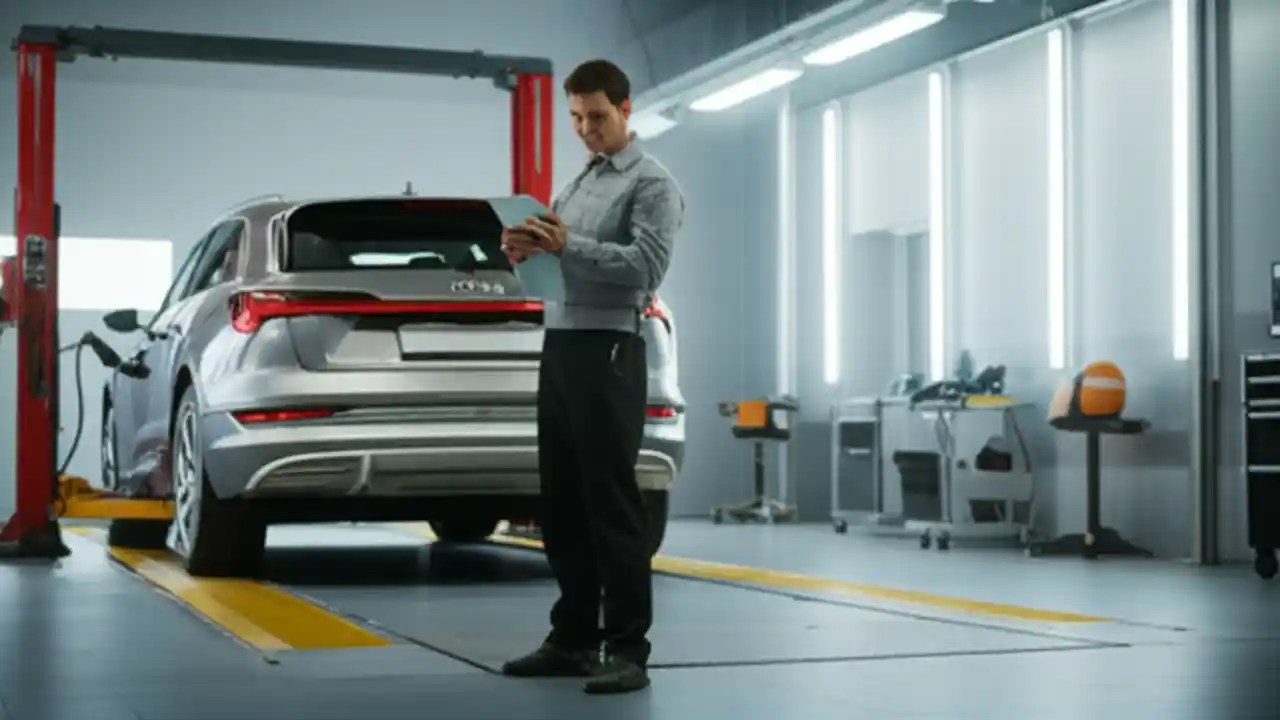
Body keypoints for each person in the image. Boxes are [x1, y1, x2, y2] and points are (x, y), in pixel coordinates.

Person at [498, 58, 684, 695]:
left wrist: (564, 245)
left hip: (610, 348)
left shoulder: (652, 184)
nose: (585, 129)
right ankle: (573, 637)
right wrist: (524, 249)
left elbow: (643, 269)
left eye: (597, 116)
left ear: (626, 109)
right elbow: (560, 256)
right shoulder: (578, 182)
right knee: (563, 501)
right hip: (564, 343)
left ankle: (627, 647)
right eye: (576, 118)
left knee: (610, 503)